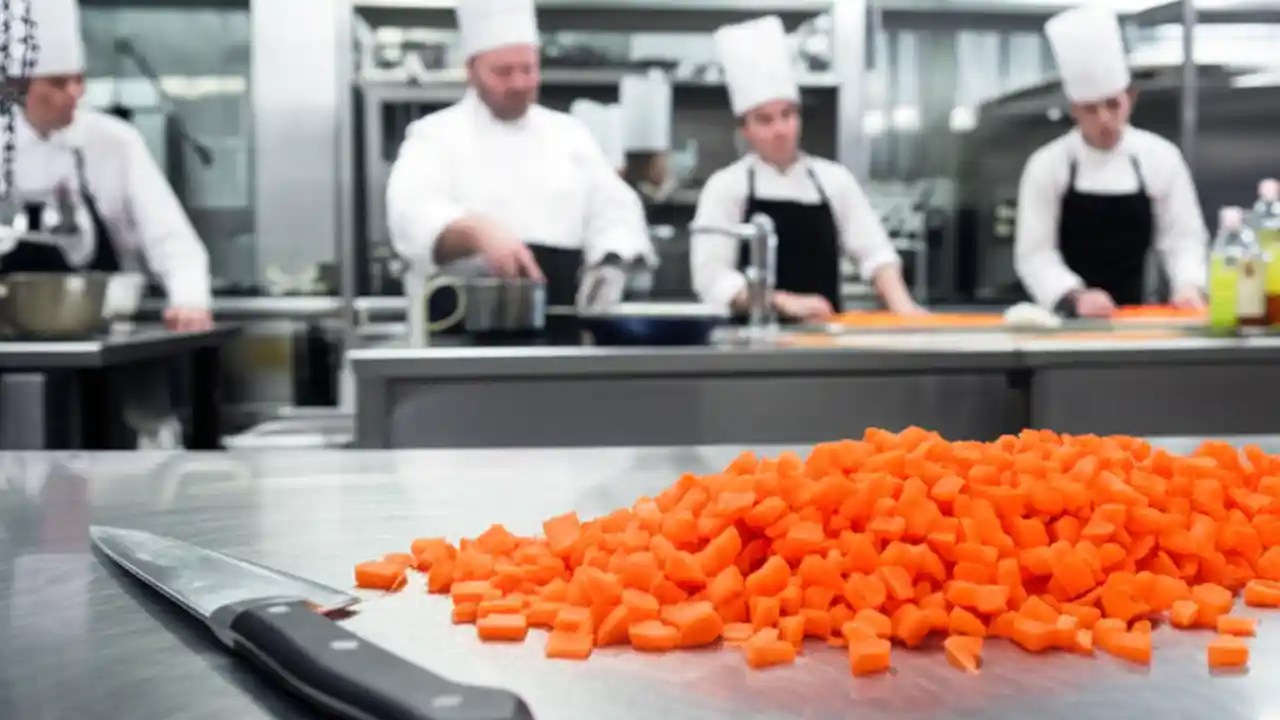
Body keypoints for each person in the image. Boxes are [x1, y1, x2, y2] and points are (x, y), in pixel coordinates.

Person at [386, 0, 656, 312]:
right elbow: (410, 215)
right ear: (471, 71)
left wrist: (611, 259)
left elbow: (615, 210)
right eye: (503, 72)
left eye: (528, 69)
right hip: (460, 320)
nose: (518, 83)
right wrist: (476, 232)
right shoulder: (434, 136)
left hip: (558, 319)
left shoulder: (569, 135)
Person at [690, 16, 921, 322]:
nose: (780, 129)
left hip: (824, 339)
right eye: (765, 120)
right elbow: (711, 278)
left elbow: (875, 253)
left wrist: (906, 310)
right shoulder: (726, 186)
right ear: (745, 129)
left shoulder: (834, 180)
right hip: (749, 338)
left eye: (787, 115)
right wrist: (780, 301)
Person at [1, 0, 212, 331]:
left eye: (79, 80)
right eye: (58, 83)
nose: (75, 92)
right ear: (17, 87)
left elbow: (170, 237)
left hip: (103, 326)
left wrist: (190, 300)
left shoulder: (114, 141)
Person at [1015, 6, 1208, 318]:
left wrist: (1188, 285)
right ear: (1074, 109)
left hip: (1136, 319)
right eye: (1090, 109)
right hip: (1065, 319)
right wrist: (1074, 295)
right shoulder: (1047, 165)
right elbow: (1035, 254)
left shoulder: (1161, 157)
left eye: (1113, 104)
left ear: (1131, 97)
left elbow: (1183, 239)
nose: (1104, 119)